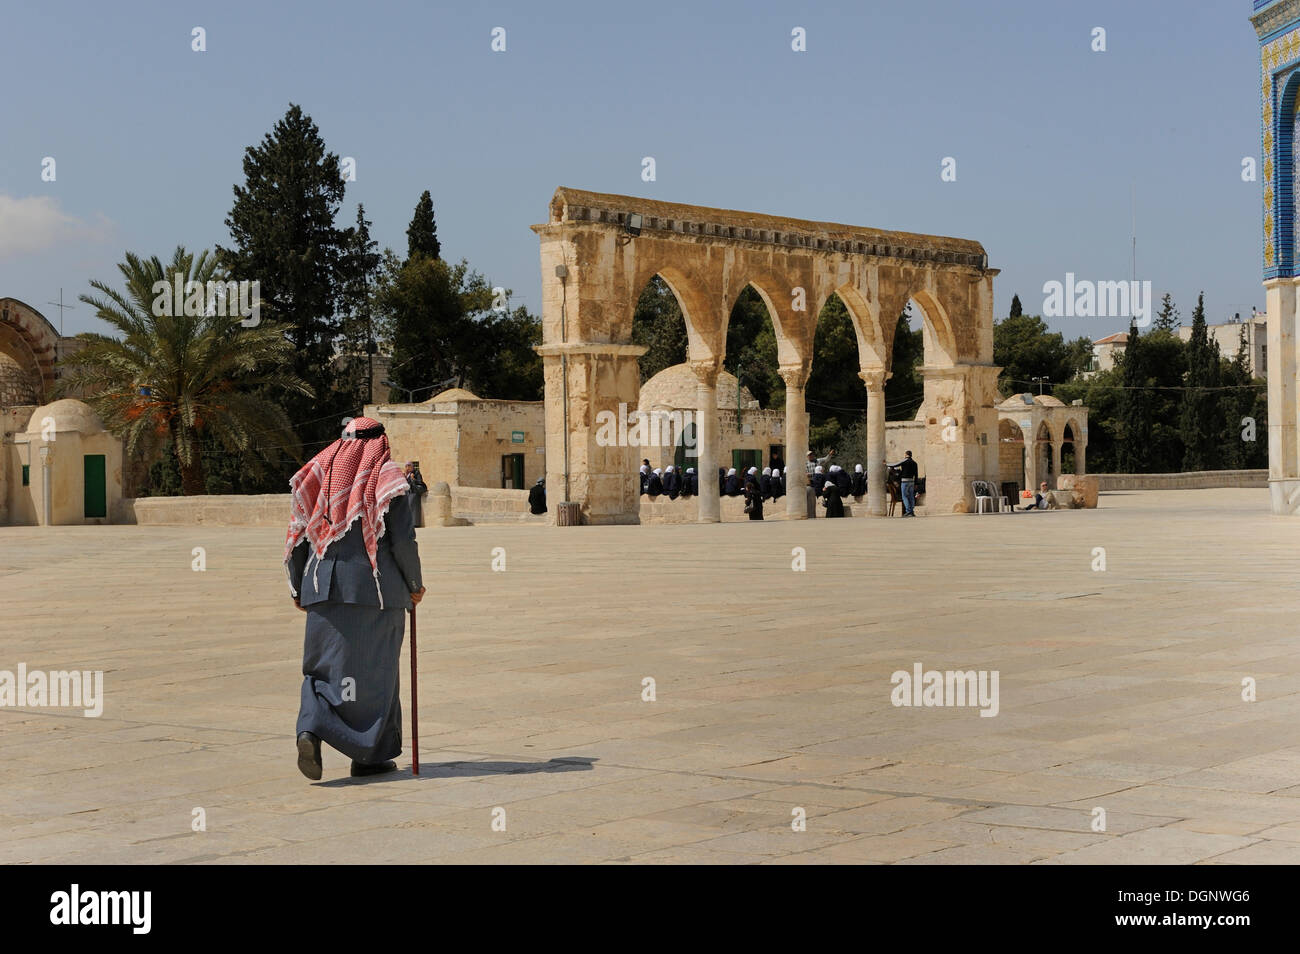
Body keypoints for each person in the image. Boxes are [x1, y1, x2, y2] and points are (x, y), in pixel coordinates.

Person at [286, 417, 425, 781]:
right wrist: (415, 583)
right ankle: (370, 756)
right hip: (375, 591)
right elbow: (401, 540)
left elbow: (298, 534)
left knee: (321, 669)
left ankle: (310, 729)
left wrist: (298, 588)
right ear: (380, 441)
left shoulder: (318, 473)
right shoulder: (388, 477)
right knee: (376, 674)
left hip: (321, 588)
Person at [889, 450, 919, 516]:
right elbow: (916, 474)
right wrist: (916, 483)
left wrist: (886, 464)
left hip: (904, 481)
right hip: (912, 481)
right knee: (911, 496)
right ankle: (911, 511)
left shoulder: (904, 461)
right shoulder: (914, 463)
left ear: (906, 454)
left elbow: (895, 464)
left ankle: (908, 511)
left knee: (904, 496)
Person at [402, 462, 428, 527]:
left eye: (409, 466)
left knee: (412, 505)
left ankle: (415, 523)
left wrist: (413, 479)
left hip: (414, 492)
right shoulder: (406, 474)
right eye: (406, 466)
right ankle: (409, 523)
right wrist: (405, 476)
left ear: (412, 466)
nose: (407, 467)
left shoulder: (416, 473)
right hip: (408, 492)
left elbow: (420, 482)